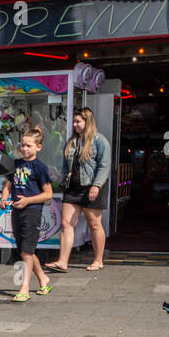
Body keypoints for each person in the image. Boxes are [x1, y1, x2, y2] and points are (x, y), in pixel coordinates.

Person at [49, 108, 110, 273]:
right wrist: (60, 178)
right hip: (73, 188)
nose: (75, 125)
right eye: (74, 121)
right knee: (66, 223)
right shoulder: (71, 142)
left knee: (94, 224)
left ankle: (98, 260)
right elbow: (65, 165)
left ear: (87, 122)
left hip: (91, 186)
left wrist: (96, 185)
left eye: (78, 121)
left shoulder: (99, 140)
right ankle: (62, 261)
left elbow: (104, 165)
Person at [0, 127, 54, 303]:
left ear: (38, 147)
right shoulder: (16, 164)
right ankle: (43, 280)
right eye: (22, 145)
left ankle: (24, 288)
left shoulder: (40, 168)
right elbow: (9, 184)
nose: (24, 149)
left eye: (28, 146)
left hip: (32, 212)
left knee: (25, 251)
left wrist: (27, 201)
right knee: (26, 250)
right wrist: (4, 198)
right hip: (16, 210)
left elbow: (48, 194)